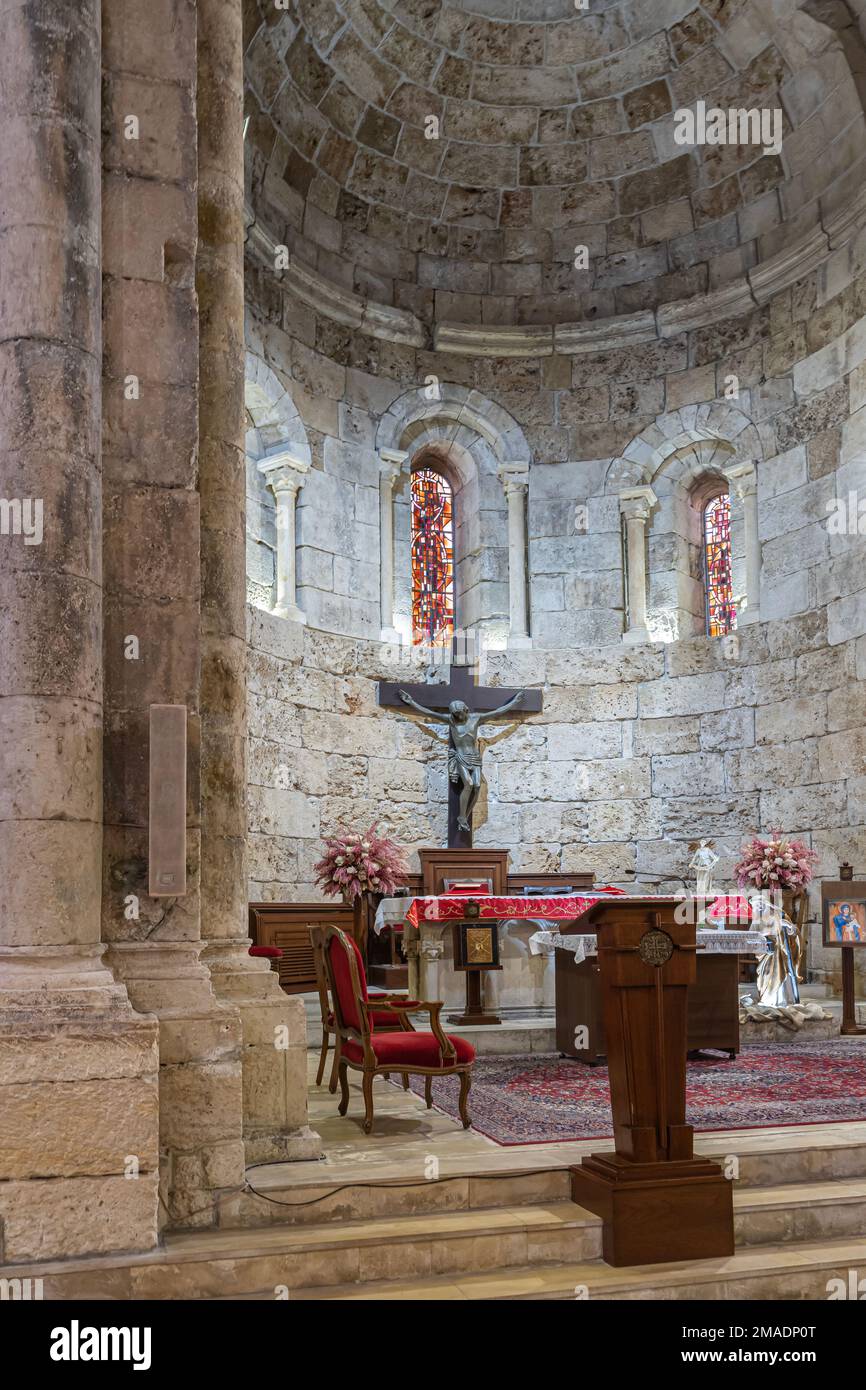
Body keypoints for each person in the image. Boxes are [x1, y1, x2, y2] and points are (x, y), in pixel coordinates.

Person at [398, 689, 524, 831]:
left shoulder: (476, 718)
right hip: (461, 758)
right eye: (455, 714)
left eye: (460, 713)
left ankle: (464, 817)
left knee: (477, 786)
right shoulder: (451, 721)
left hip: (475, 758)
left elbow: (497, 712)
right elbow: (430, 713)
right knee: (468, 784)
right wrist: (411, 702)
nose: (458, 716)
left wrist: (514, 702)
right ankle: (462, 816)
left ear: (466, 710)